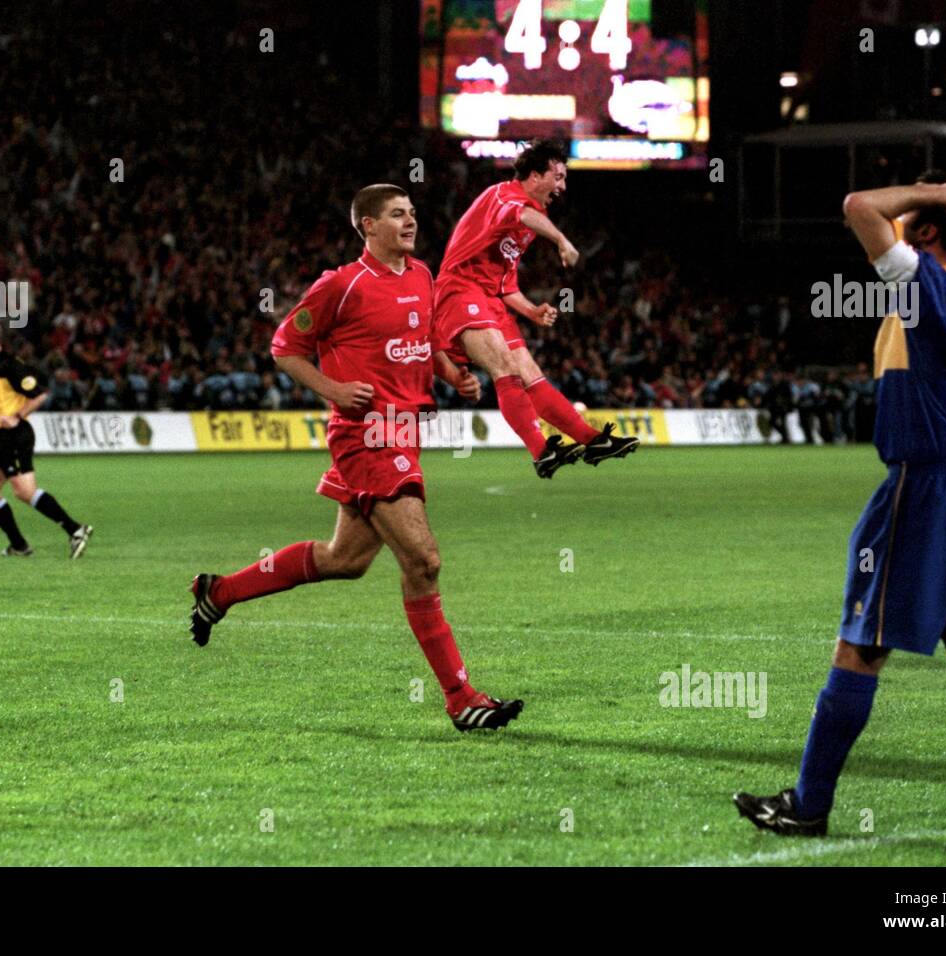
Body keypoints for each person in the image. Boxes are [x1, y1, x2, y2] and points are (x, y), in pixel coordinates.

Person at [734, 177, 946, 844]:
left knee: (859, 646)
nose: (901, 215)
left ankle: (809, 804)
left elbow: (858, 204)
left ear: (928, 231)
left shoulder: (928, 286)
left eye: (913, 216)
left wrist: (934, 191)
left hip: (926, 484)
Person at [188, 184, 523, 732]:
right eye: (397, 214)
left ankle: (219, 591)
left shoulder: (422, 275)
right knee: (424, 560)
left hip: (405, 431)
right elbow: (284, 347)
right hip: (366, 434)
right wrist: (335, 390)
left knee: (345, 559)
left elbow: (424, 337)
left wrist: (450, 371)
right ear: (368, 225)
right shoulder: (341, 285)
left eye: (412, 212)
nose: (410, 221)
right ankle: (461, 697)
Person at [434, 139, 639, 478]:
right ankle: (541, 451)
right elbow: (522, 213)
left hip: (489, 299)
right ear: (534, 175)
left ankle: (591, 440)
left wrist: (529, 310)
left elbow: (505, 284)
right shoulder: (505, 196)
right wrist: (561, 239)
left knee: (530, 374)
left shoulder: (529, 221)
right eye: (557, 177)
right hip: (458, 291)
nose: (562, 186)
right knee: (506, 370)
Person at [0, 319, 93, 558]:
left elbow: (40, 394)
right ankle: (19, 545)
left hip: (15, 436)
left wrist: (17, 416)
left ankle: (75, 529)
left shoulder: (12, 366)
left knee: (24, 491)